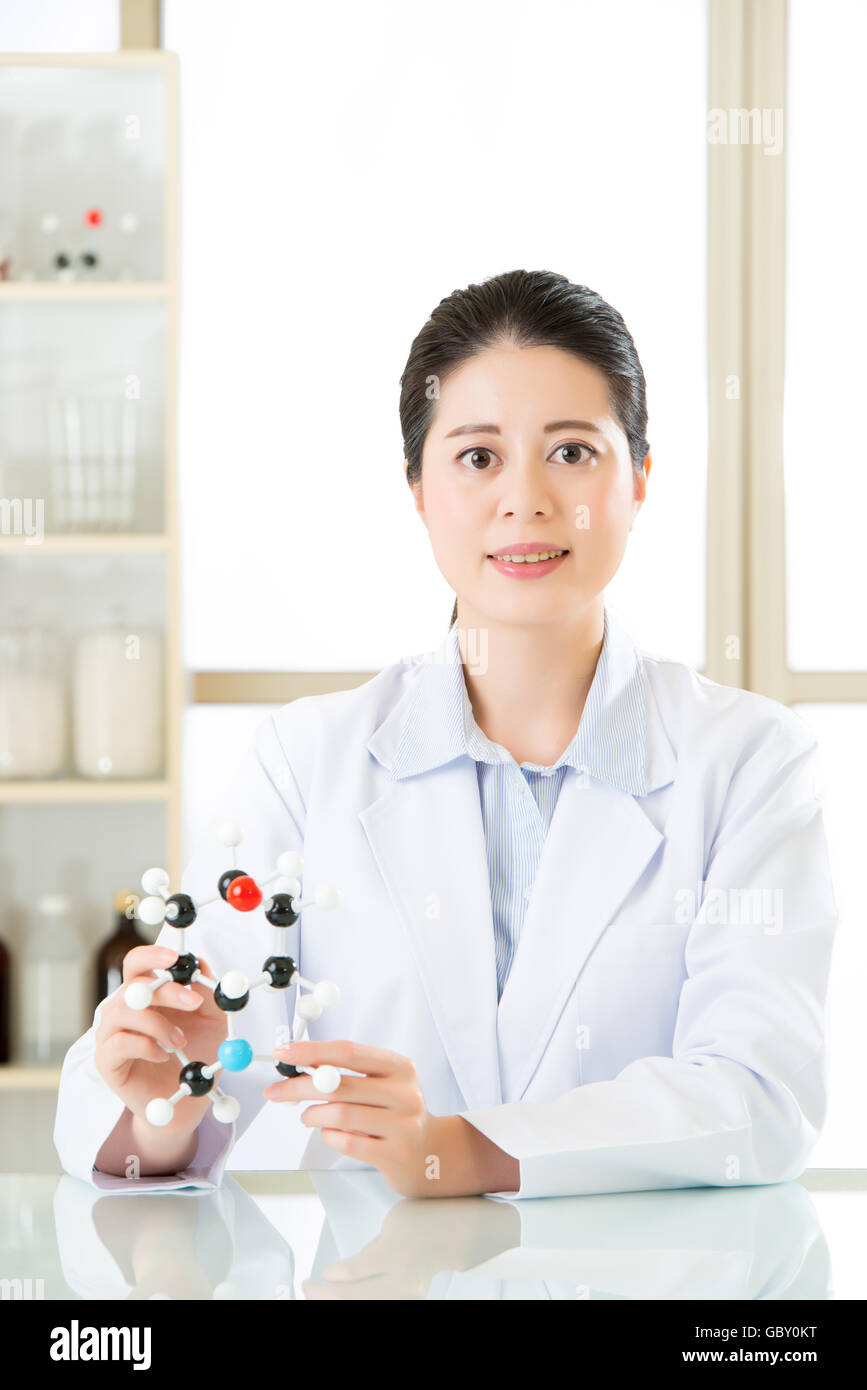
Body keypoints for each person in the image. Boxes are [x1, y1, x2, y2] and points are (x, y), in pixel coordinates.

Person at [54, 269, 839, 1201]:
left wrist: (464, 1150)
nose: (526, 500)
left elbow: (757, 1095)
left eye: (572, 453)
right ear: (418, 489)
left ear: (639, 479)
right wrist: (167, 1098)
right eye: (476, 457)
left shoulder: (747, 760)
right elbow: (184, 1076)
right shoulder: (310, 764)